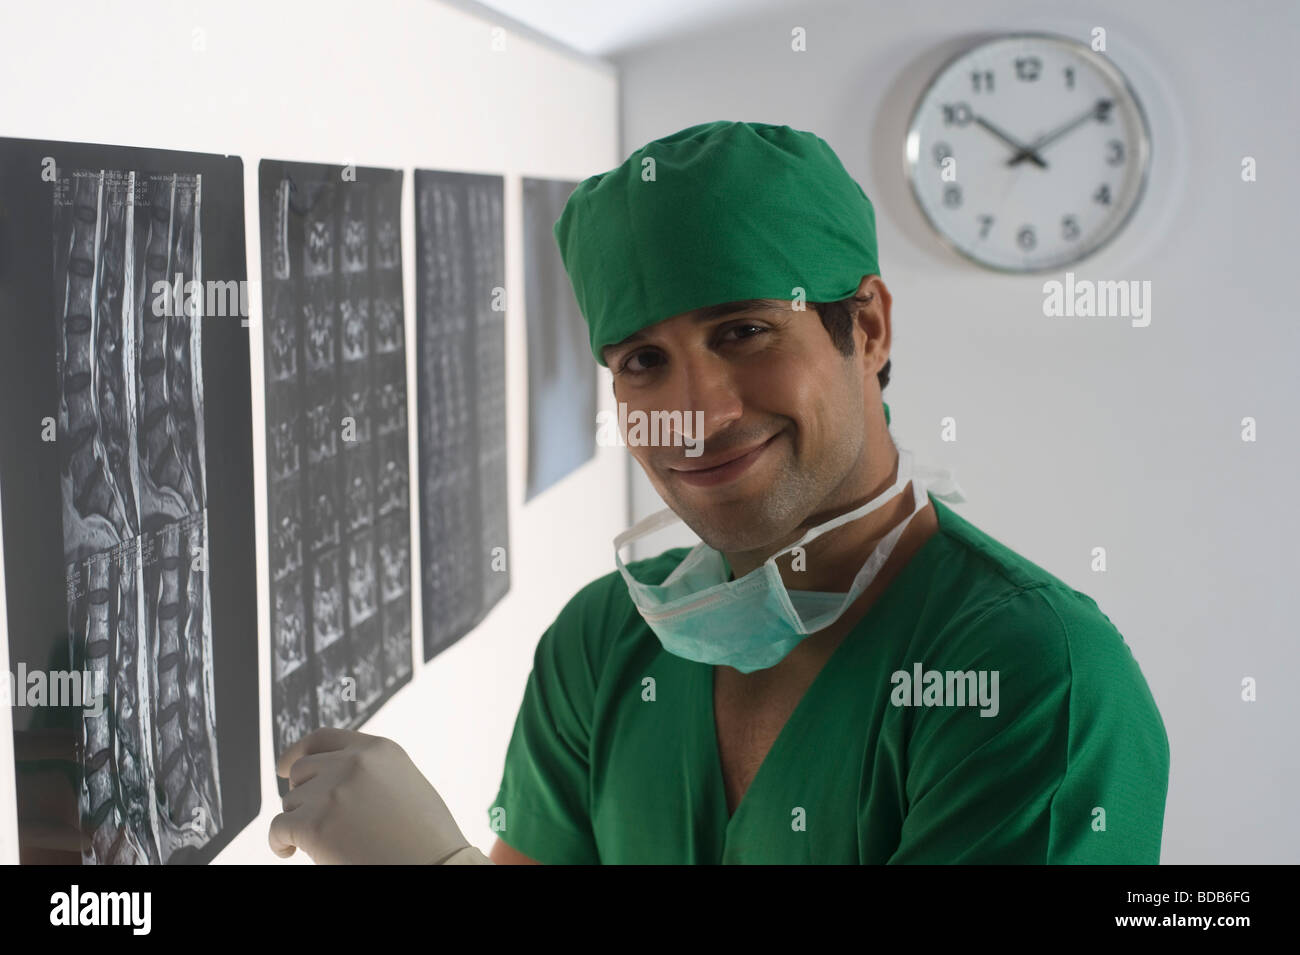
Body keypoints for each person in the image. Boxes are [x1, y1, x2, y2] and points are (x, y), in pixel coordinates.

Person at [269, 120, 1169, 865]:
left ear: (868, 326)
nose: (696, 413)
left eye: (744, 331)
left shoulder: (1033, 675)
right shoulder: (603, 646)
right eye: (643, 362)